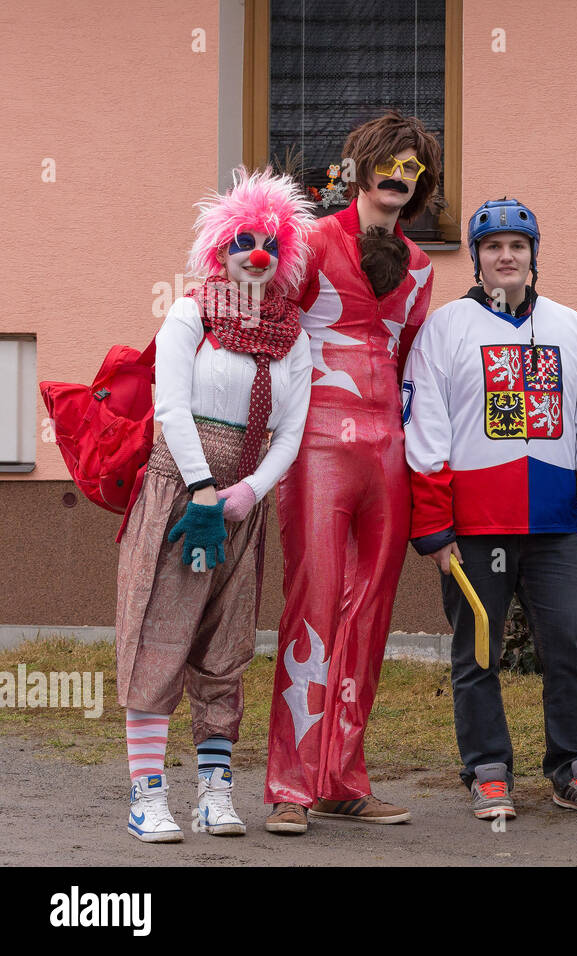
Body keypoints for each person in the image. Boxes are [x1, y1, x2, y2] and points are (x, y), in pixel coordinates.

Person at [404, 198, 577, 821]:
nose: (506, 256)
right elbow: (425, 429)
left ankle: (574, 770)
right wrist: (433, 525)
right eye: (492, 246)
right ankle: (487, 770)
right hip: (475, 528)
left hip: (554, 525)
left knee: (568, 645)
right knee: (478, 652)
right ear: (477, 257)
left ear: (534, 255)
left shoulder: (570, 327)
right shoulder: (445, 328)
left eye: (518, 246)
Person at [116, 167, 313, 842]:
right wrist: (203, 490)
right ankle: (148, 797)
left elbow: (291, 432)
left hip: (243, 506)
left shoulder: (293, 334)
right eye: (244, 241)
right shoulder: (192, 311)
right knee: (159, 639)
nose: (257, 254)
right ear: (221, 249)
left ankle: (214, 794)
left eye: (271, 243)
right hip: (180, 495)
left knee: (226, 647)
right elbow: (169, 405)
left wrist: (248, 494)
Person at [264, 110, 439, 834]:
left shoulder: (423, 269)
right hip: (317, 451)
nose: (399, 179)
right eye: (388, 165)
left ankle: (342, 777)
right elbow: (264, 332)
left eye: (413, 170)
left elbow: (416, 368)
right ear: (361, 167)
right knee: (313, 602)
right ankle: (289, 786)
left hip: (387, 457)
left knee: (369, 617)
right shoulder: (307, 243)